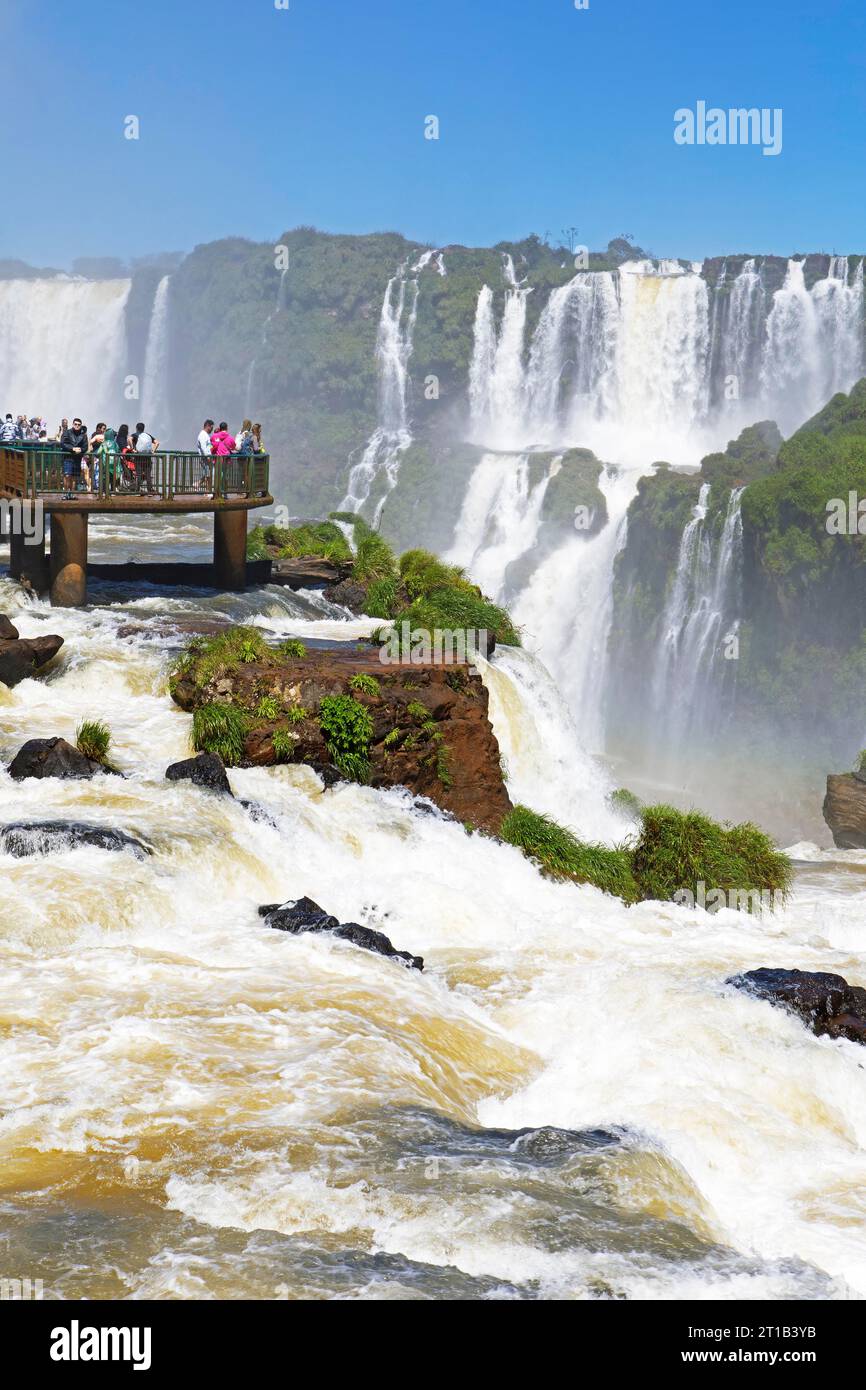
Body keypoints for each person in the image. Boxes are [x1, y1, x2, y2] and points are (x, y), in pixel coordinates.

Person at [60, 417, 88, 499]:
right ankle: (65, 493)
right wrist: (72, 449)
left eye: (79, 425)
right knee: (67, 475)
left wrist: (81, 450)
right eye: (75, 424)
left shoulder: (83, 436)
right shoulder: (67, 432)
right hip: (68, 457)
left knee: (74, 477)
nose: (77, 426)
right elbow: (63, 443)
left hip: (77, 458)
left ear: (81, 425)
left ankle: (71, 494)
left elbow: (85, 447)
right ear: (73, 424)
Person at [133, 421, 158, 494]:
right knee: (148, 475)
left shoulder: (135, 435)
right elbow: (157, 442)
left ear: (136, 428)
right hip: (147, 458)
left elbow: (129, 439)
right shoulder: (148, 435)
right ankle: (150, 490)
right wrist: (153, 451)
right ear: (143, 428)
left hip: (138, 458)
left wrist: (132, 449)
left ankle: (137, 490)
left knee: (138, 474)